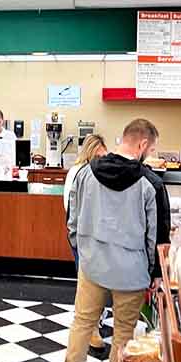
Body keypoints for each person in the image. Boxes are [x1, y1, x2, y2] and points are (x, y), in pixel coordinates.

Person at [59, 118, 171, 362]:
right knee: (123, 332)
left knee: (82, 322)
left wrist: (83, 251)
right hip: (131, 272)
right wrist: (154, 272)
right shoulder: (151, 184)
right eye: (152, 147)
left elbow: (72, 219)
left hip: (92, 264)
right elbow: (156, 236)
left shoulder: (85, 173)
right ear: (143, 144)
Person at [63, 133, 108, 350]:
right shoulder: (79, 173)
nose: (102, 160)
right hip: (83, 238)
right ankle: (90, 329)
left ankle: (92, 323)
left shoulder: (92, 171)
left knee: (93, 284)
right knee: (88, 285)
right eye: (99, 156)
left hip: (92, 237)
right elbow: (70, 208)